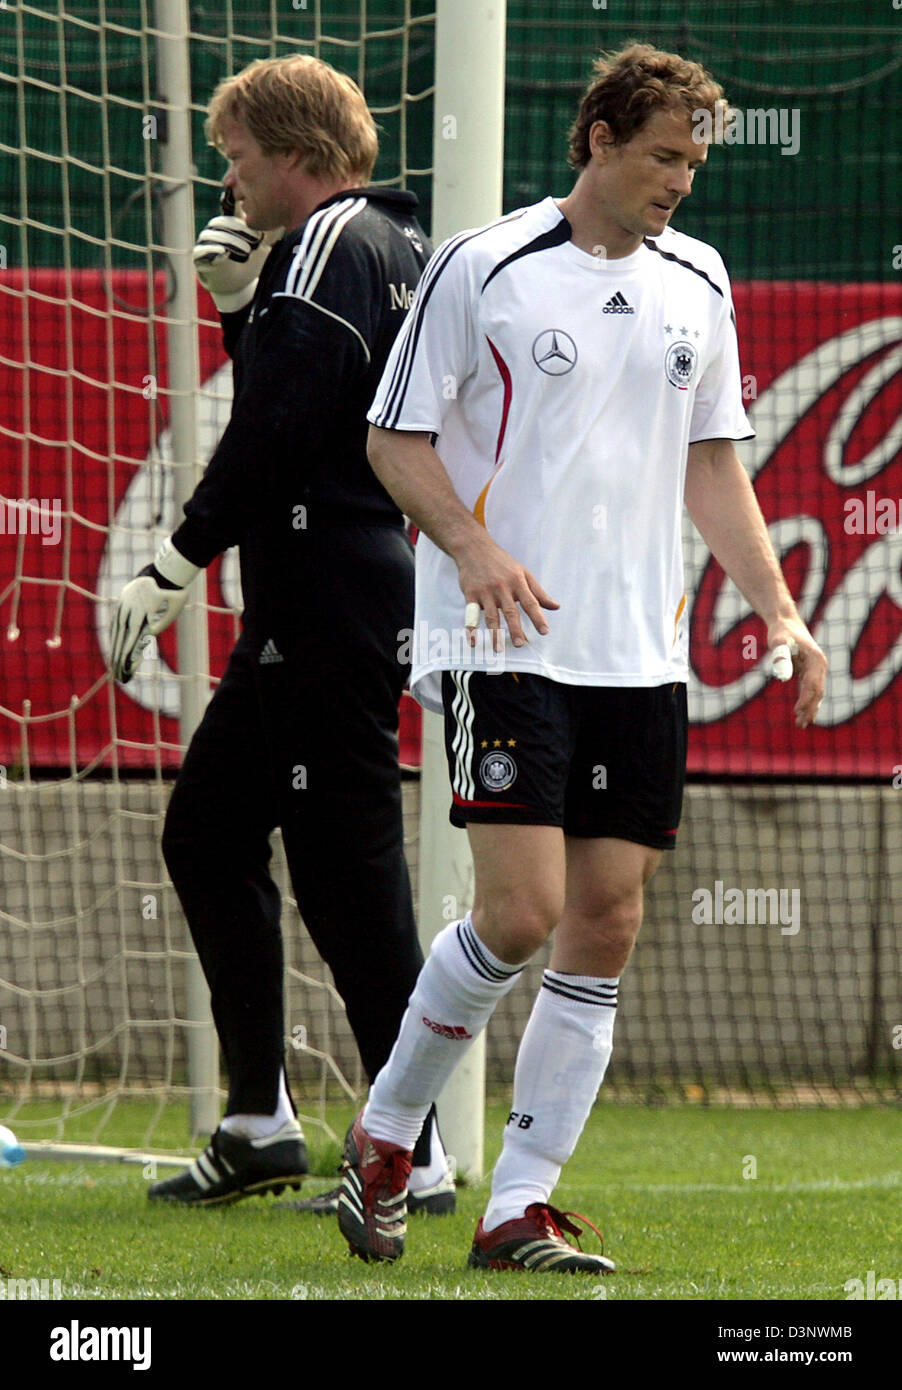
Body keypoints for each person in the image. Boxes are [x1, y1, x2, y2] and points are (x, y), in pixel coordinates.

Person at [336, 42, 827, 1271]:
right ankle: (388, 1128)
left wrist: (775, 610)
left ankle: (517, 1206)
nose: (681, 180)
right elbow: (392, 440)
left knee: (603, 920)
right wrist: (471, 545)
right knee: (520, 911)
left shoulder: (698, 279)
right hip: (500, 637)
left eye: (694, 160)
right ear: (600, 139)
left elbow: (711, 462)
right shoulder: (482, 264)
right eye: (663, 154)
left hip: (637, 650)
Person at [109, 54, 453, 1211]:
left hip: (324, 594)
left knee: (348, 867)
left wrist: (175, 557)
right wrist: (242, 311)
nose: (229, 175)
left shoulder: (327, 240)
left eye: (240, 155)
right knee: (212, 835)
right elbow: (313, 402)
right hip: (343, 586)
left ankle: (419, 1148)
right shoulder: (394, 244)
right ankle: (261, 1117)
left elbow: (277, 426)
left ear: (297, 158)